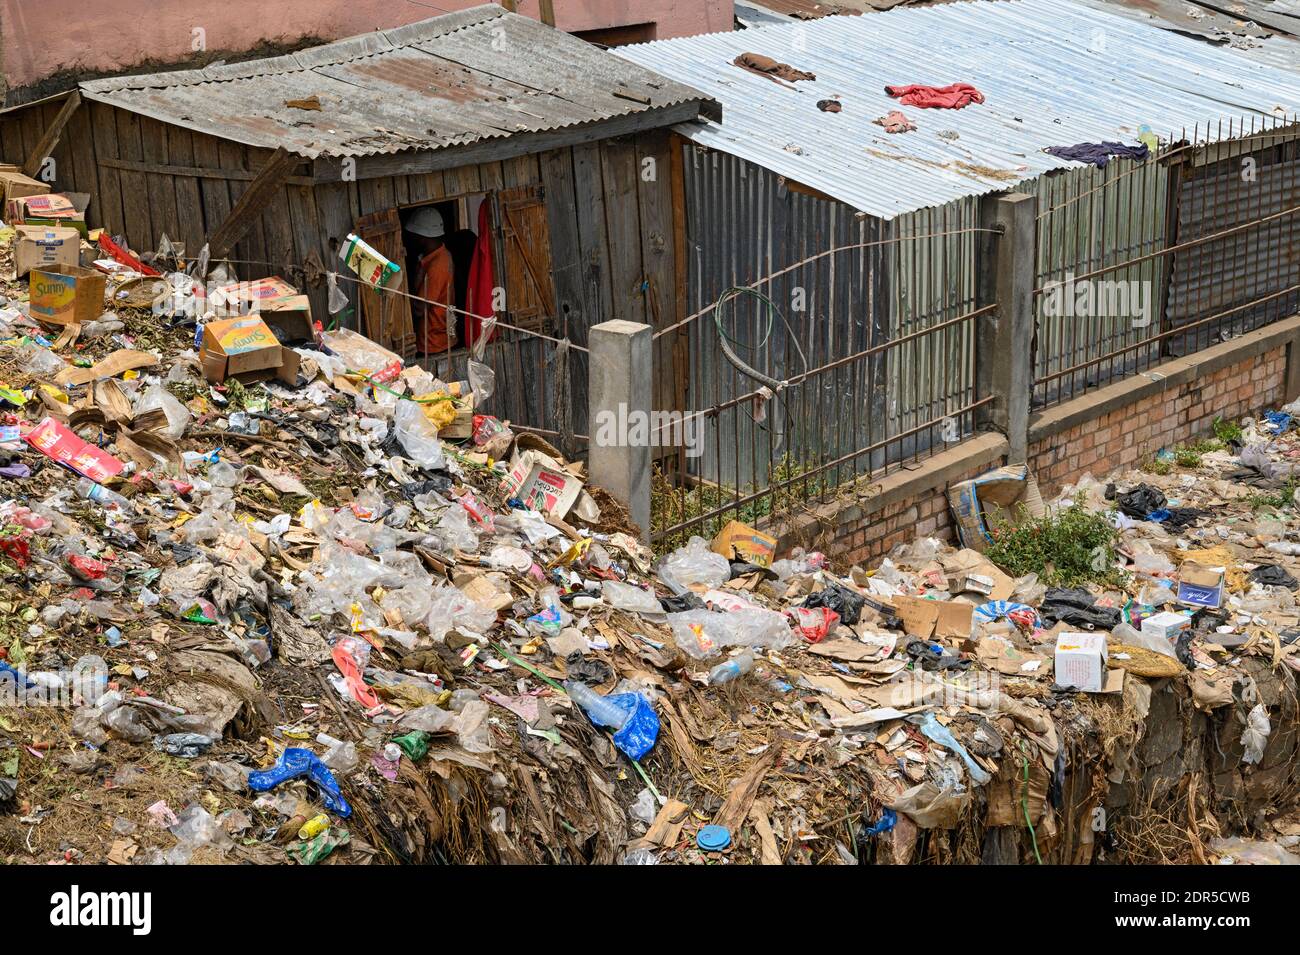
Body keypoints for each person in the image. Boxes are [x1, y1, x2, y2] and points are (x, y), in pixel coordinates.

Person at [406, 207, 456, 355]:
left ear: (422, 237)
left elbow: (419, 308)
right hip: (438, 340)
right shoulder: (439, 256)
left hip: (434, 343)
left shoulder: (436, 266)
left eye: (414, 236)